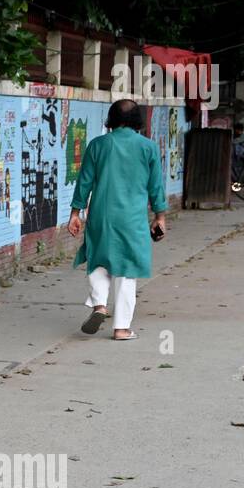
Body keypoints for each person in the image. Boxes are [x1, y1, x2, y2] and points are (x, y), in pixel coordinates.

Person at [67, 99, 167, 341]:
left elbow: (85, 181)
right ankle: (122, 328)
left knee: (98, 259)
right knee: (127, 269)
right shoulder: (148, 147)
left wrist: (75, 213)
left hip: (101, 214)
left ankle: (99, 305)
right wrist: (160, 217)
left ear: (111, 119)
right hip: (132, 218)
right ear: (137, 121)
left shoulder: (98, 145)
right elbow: (156, 186)